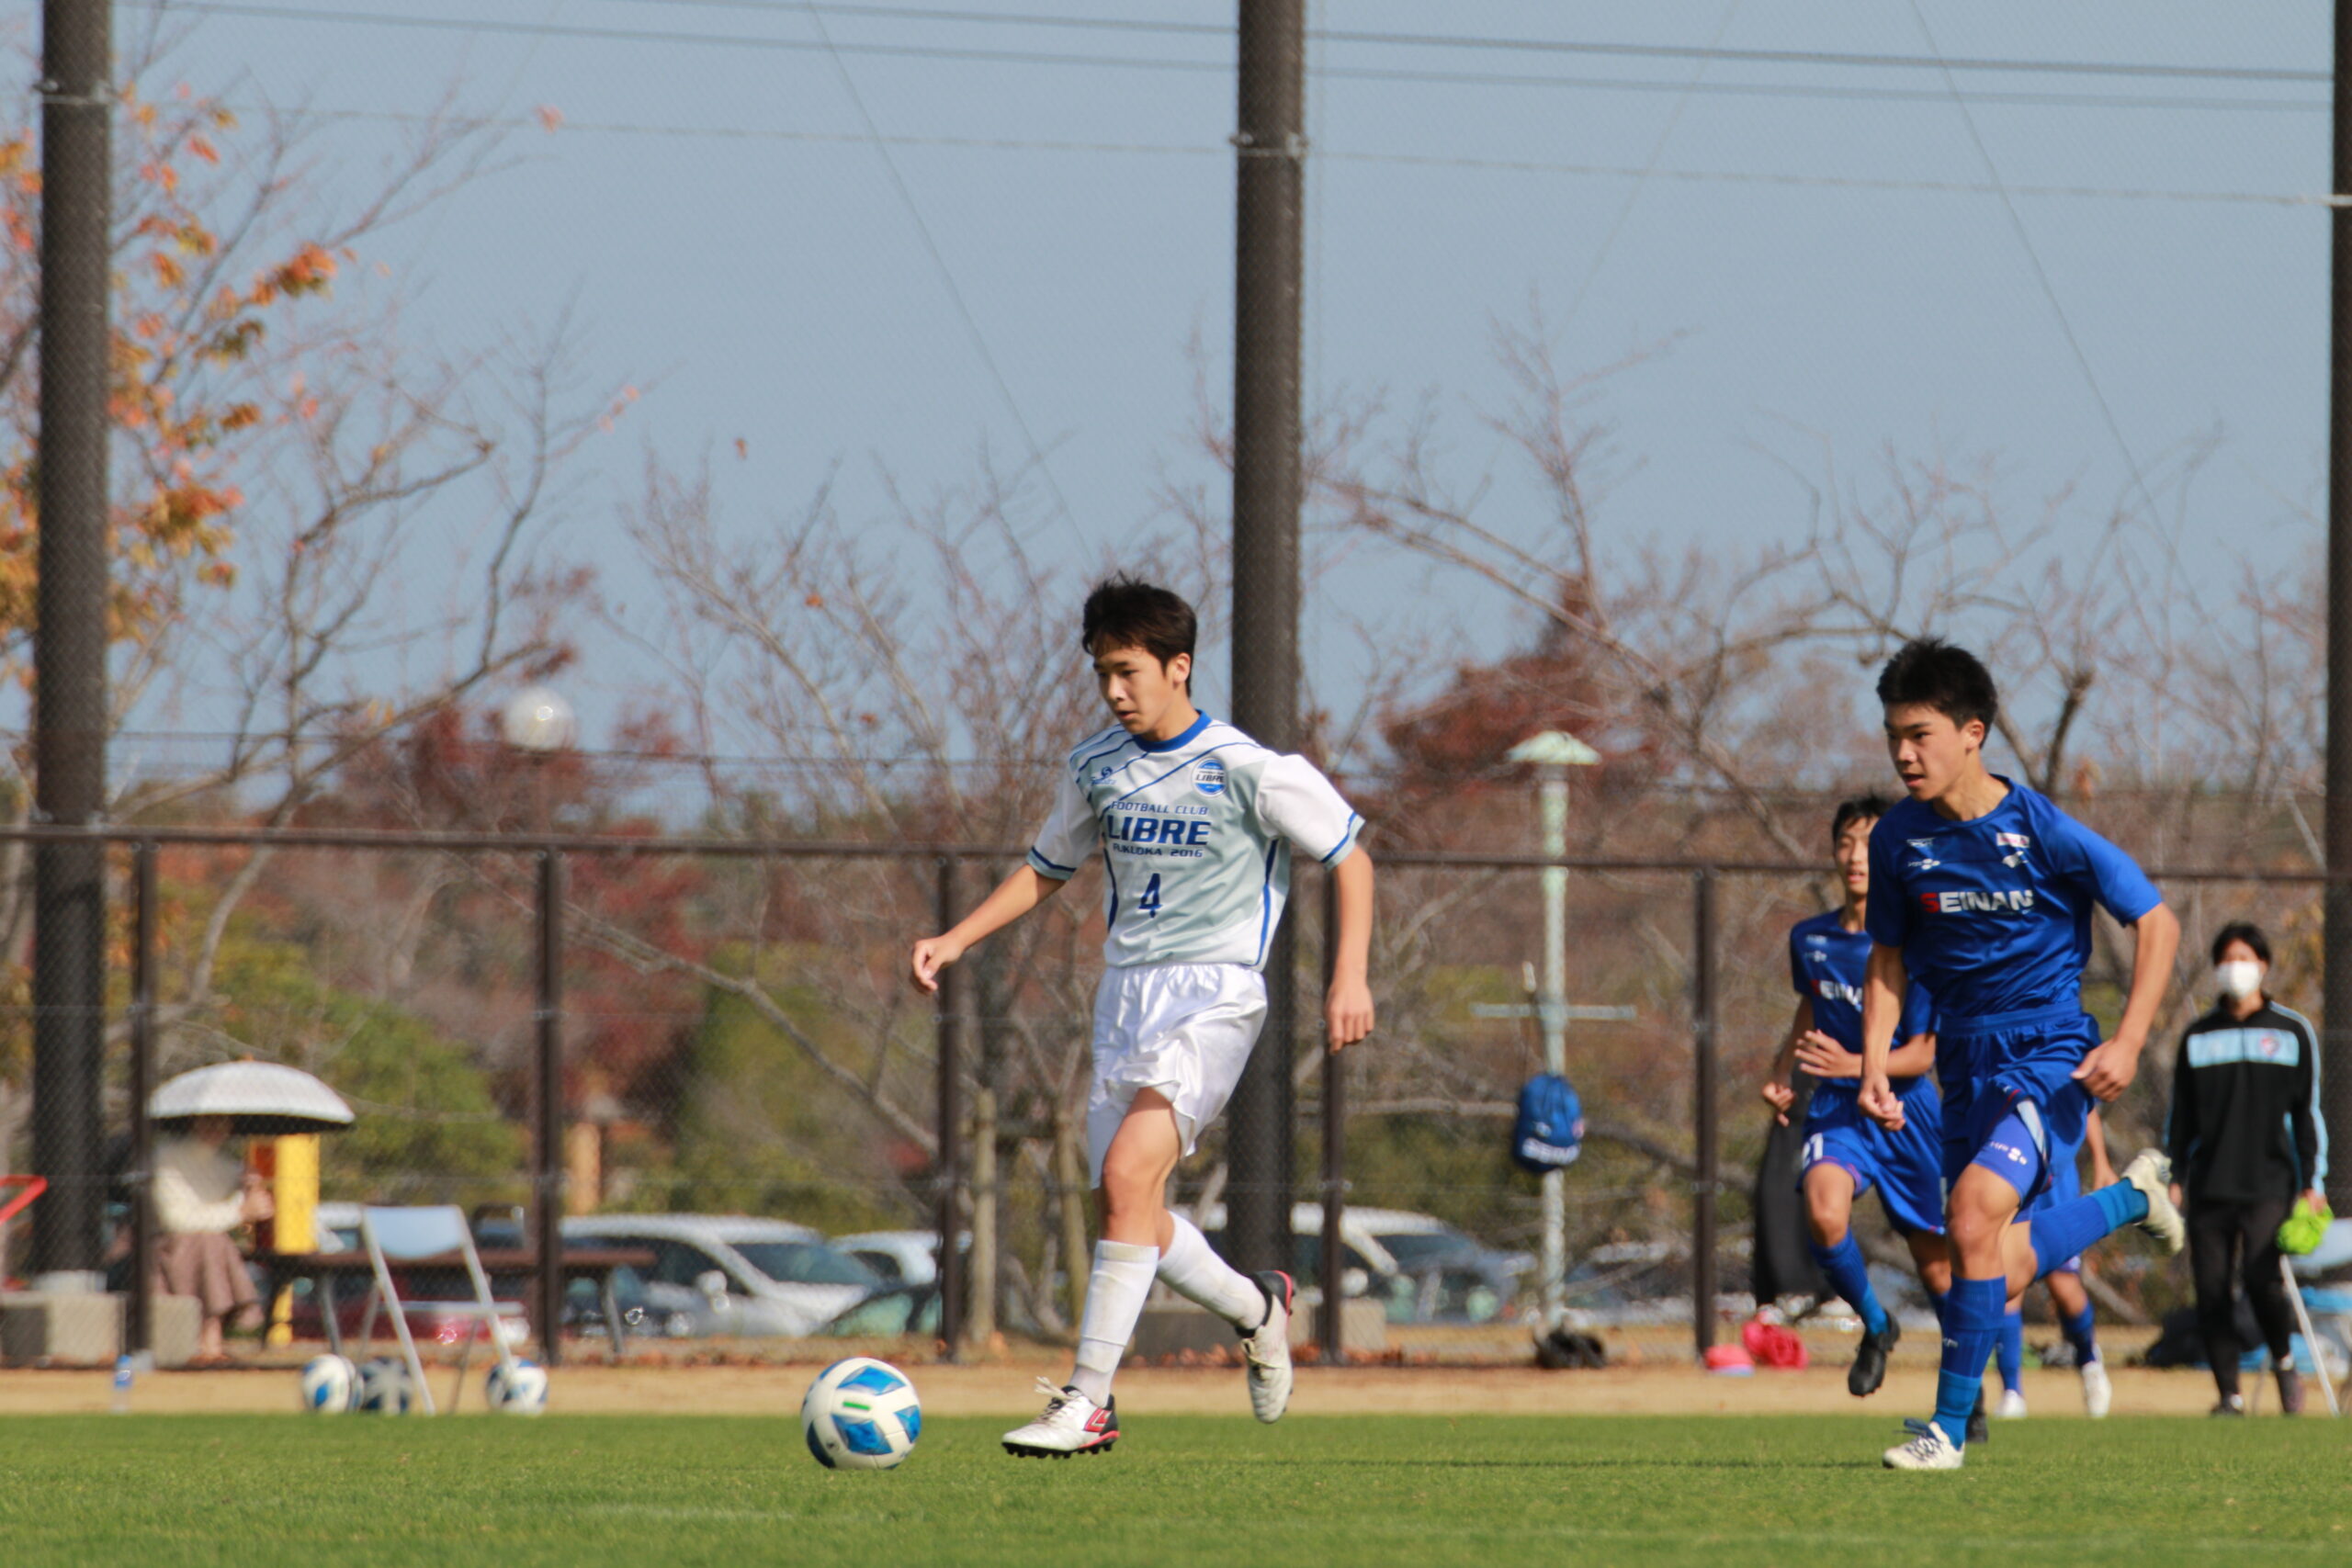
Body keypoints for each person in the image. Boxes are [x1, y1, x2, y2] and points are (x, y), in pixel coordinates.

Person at [910, 577, 1375, 1458]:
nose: (1115, 691)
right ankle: (1258, 1305)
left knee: (1129, 1178)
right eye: (1101, 675)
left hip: (1216, 995)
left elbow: (1351, 857)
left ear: (1179, 666)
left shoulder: (1251, 769)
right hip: (1125, 998)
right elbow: (1047, 866)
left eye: (1127, 671)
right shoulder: (1096, 767)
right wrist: (957, 936)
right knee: (1133, 1212)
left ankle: (1088, 1400)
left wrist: (1348, 976)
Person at [1857, 637, 2185, 1471]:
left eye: (1920, 733)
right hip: (1962, 1062)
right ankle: (2131, 1198)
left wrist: (2131, 1037)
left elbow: (2156, 921)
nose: (1903, 751)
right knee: (1992, 1269)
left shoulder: (2040, 826)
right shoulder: (1899, 839)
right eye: (1894, 732)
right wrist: (1872, 1061)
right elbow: (1888, 961)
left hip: (2049, 1053)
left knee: (1969, 1214)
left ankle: (1945, 1429)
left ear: (1973, 732)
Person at [1759, 795, 1951, 1404]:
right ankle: (1876, 1322)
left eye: (1870, 841)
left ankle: (1964, 1388)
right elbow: (1811, 1005)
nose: (1856, 854)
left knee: (1937, 1262)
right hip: (1838, 1107)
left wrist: (1857, 1063)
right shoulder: (1810, 938)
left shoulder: (1917, 942)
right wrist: (1781, 1068)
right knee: (1823, 1211)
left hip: (1906, 1113)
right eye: (1846, 840)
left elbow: (1922, 1054)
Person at [2165, 921, 2325, 1416]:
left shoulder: (2292, 1031)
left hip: (2271, 1184)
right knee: (2211, 1292)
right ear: (2217, 967)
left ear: (2263, 964)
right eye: (2227, 958)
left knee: (2261, 1282)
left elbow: (2306, 1114)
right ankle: (2229, 1395)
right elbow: (2182, 1118)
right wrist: (2175, 1177)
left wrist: (2311, 1184)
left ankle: (2282, 1362)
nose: (2235, 967)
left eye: (2244, 957)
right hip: (2211, 1185)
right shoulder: (2197, 1036)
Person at [1992, 1109, 2115, 1420]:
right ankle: (2012, 1391)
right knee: (2007, 1282)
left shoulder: (2060, 1060)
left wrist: (2100, 1161)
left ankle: (2089, 1360)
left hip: (2054, 1176)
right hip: (2006, 1165)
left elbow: (2087, 1106)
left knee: (2064, 1286)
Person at [152, 1112, 273, 1363]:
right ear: (190, 1123)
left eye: (222, 1122)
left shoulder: (231, 1167)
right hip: (163, 1247)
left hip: (211, 1250)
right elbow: (176, 1221)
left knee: (214, 1243)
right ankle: (209, 1339)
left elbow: (235, 1218)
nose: (215, 1128)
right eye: (207, 1121)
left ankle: (211, 1341)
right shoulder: (164, 1159)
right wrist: (240, 1211)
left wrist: (250, 1192)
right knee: (210, 1243)